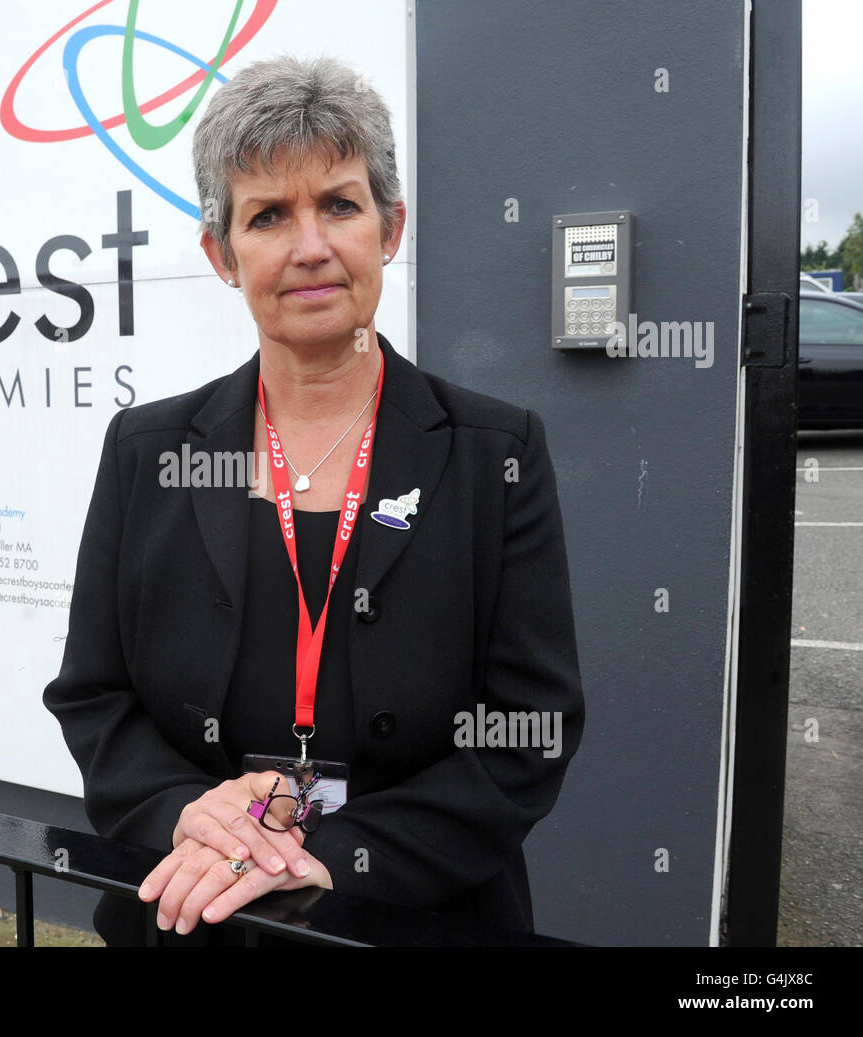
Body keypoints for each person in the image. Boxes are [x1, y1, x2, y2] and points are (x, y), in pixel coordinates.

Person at [43, 53, 583, 946]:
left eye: (339, 203)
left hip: (419, 923)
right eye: (267, 215)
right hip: (194, 916)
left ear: (390, 227)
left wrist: (336, 855)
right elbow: (94, 696)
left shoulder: (497, 452)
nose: (309, 246)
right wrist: (189, 814)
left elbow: (531, 726)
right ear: (222, 254)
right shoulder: (148, 453)